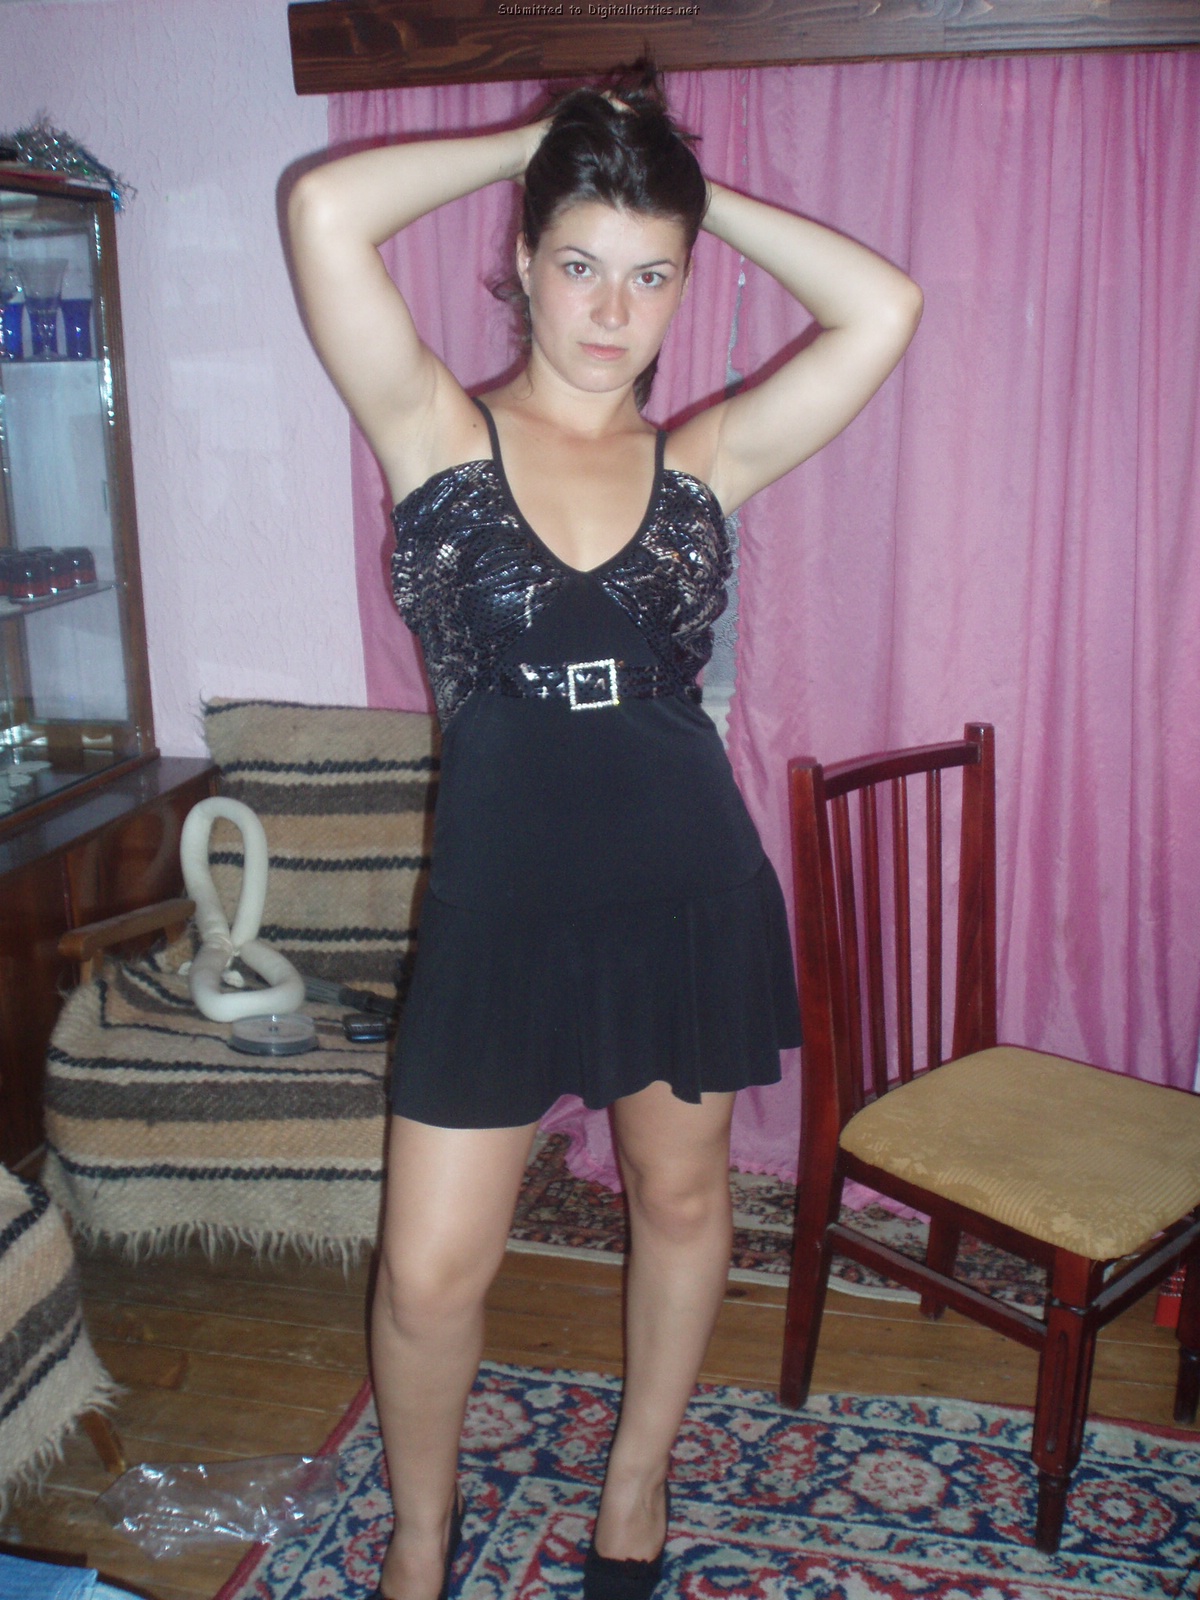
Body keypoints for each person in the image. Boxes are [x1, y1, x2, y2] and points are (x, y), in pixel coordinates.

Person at [287, 67, 921, 1600]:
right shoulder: (433, 430)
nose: (612, 309)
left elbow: (884, 307)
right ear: (520, 258)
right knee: (429, 1274)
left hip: (682, 892)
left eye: (652, 276)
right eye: (579, 262)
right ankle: (423, 1539)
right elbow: (323, 209)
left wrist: (687, 193)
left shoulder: (707, 462)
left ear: (686, 284)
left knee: (683, 1202)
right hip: (498, 911)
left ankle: (635, 1486)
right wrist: (545, 142)